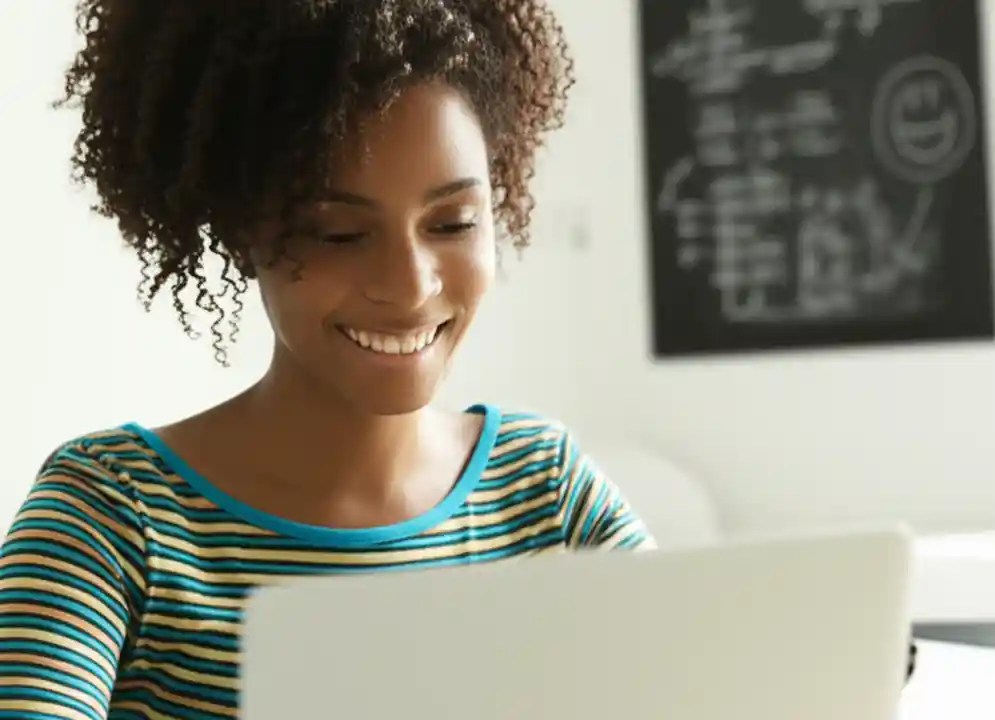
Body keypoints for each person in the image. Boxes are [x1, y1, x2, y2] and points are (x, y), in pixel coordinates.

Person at [0, 1, 652, 717]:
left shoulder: (547, 494)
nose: (410, 285)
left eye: (453, 223)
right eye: (339, 233)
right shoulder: (114, 514)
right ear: (242, 229)